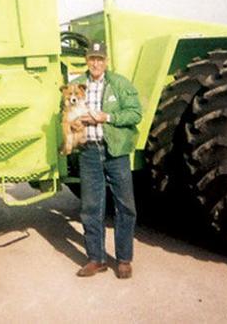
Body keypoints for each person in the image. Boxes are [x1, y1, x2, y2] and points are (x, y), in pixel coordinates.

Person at [73, 40, 142, 279]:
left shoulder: (119, 83)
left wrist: (106, 117)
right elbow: (63, 112)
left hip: (115, 152)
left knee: (125, 206)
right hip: (89, 152)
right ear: (86, 60)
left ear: (106, 61)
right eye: (92, 59)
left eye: (99, 59)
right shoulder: (76, 85)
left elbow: (135, 113)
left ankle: (124, 259)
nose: (95, 63)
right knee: (91, 207)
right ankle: (96, 259)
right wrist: (74, 123)